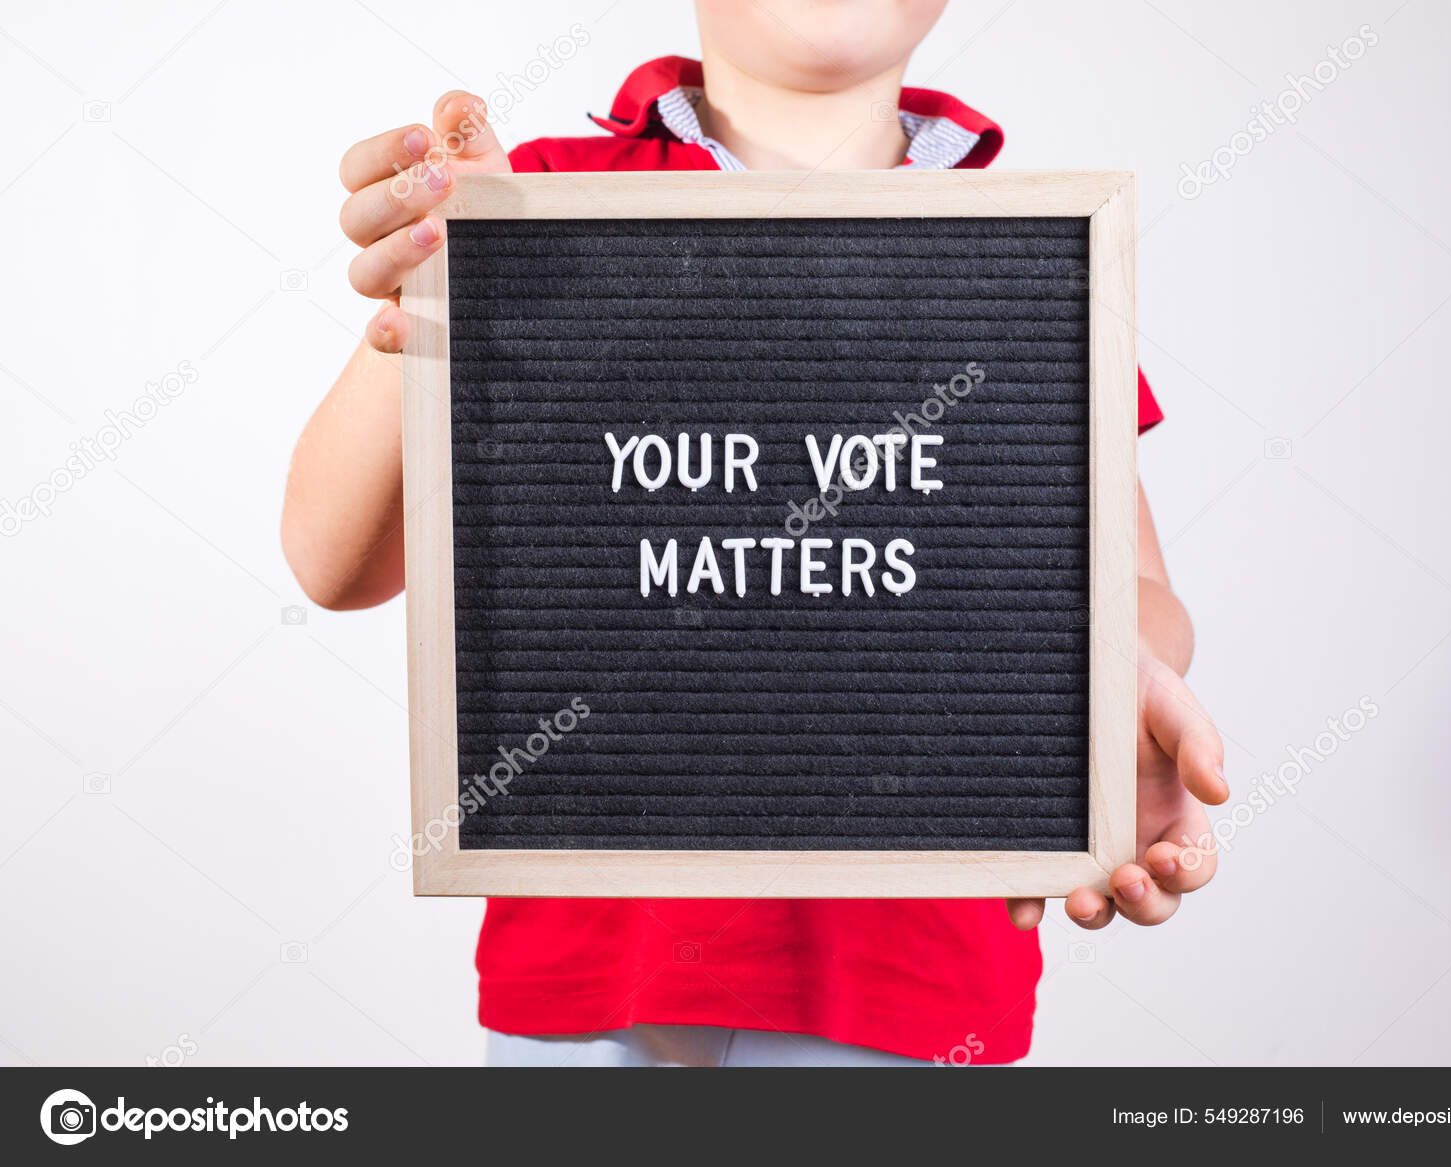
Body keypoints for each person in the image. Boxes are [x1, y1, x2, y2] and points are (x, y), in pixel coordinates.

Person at [281, 0, 1227, 1067]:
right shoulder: (531, 199)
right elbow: (335, 562)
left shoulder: (1031, 253)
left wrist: (1117, 676)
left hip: (909, 987)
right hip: (587, 970)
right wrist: (433, 286)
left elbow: (1134, 586)